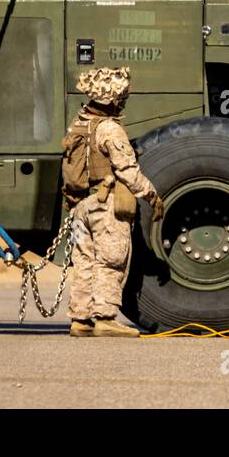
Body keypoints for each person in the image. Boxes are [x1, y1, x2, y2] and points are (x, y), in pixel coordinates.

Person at [62, 66, 165, 337]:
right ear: (114, 99)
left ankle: (80, 319)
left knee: (84, 260)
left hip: (81, 205)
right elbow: (127, 171)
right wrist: (151, 195)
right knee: (111, 259)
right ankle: (106, 317)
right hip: (104, 203)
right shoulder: (109, 129)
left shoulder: (78, 124)